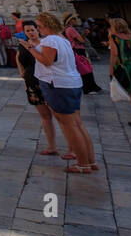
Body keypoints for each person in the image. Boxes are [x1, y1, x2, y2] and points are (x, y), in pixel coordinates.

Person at [25, 12, 97, 173]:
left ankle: (82, 164)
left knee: (69, 125)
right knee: (77, 124)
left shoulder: (50, 40)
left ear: (46, 26)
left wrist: (29, 47)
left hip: (58, 85)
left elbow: (47, 61)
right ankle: (90, 161)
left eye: (39, 26)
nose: (38, 29)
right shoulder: (63, 39)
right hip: (72, 83)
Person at [12, 19, 67, 159]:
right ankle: (52, 147)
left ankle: (72, 148)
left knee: (60, 116)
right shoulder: (23, 45)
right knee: (45, 116)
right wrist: (22, 73)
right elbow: (18, 58)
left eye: (32, 30)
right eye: (27, 31)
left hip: (48, 82)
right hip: (32, 82)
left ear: (38, 29)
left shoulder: (47, 43)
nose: (30, 33)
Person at [62, 14, 102, 94]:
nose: (76, 20)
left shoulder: (67, 29)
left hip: (75, 50)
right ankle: (89, 88)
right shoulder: (71, 29)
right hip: (78, 50)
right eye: (74, 19)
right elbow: (81, 40)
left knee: (84, 69)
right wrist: (85, 33)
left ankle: (91, 86)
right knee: (86, 69)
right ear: (70, 20)